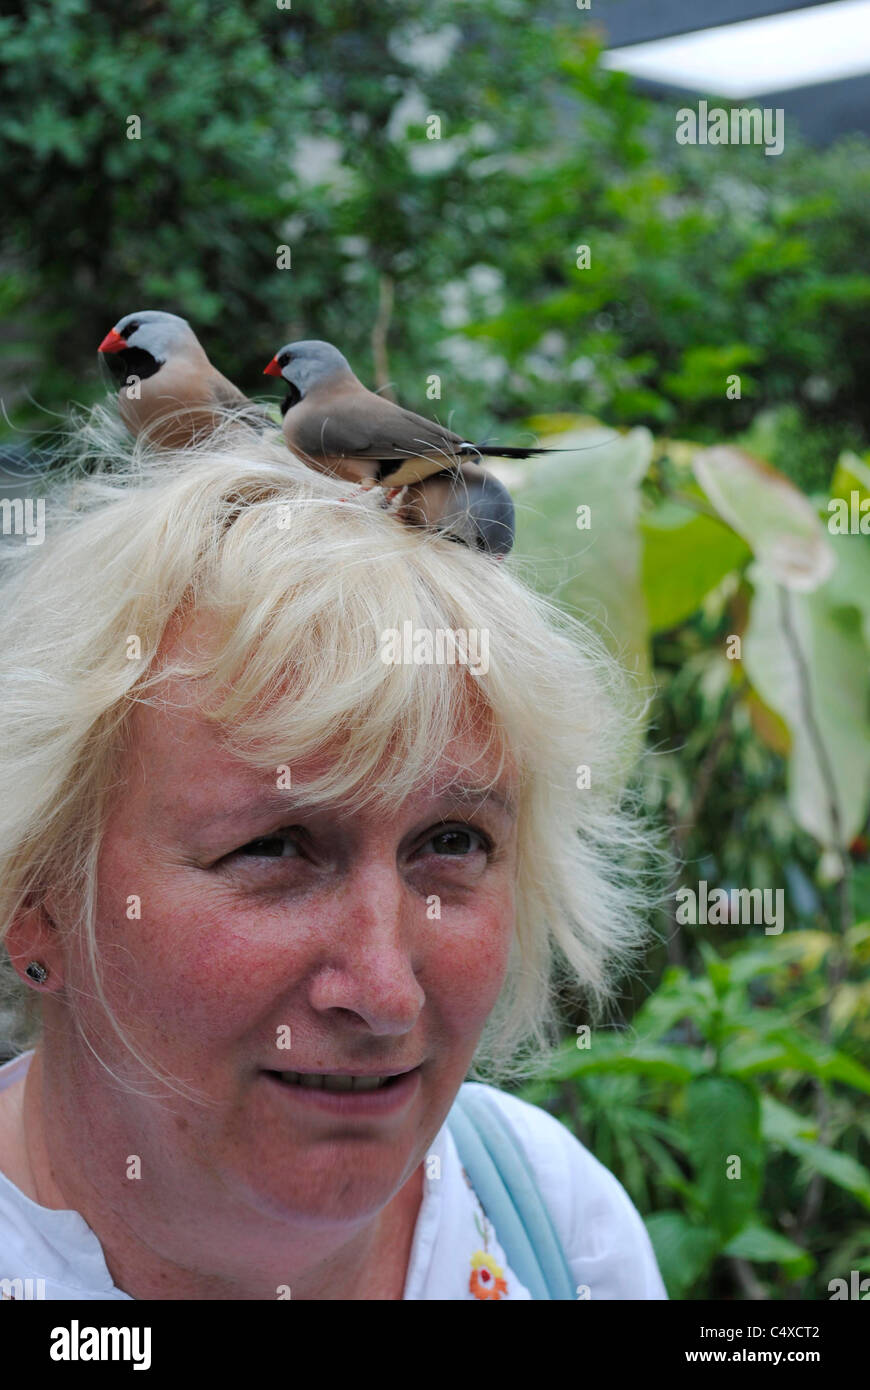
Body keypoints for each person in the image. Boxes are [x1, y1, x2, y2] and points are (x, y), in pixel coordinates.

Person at [0, 410, 666, 1300]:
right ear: (35, 899)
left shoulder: (554, 1222)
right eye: (272, 848)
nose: (386, 994)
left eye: (452, 843)